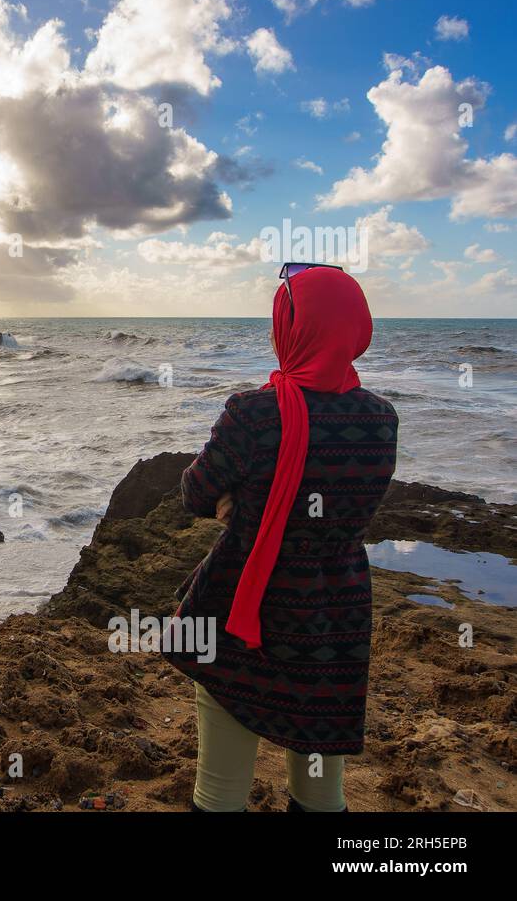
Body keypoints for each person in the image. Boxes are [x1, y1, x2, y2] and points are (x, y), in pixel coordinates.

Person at [162, 263, 398, 812]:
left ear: (288, 328)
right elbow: (346, 506)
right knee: (320, 787)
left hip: (247, 605)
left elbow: (196, 494)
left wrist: (244, 505)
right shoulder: (381, 419)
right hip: (334, 612)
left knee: (220, 786)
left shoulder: (252, 413)